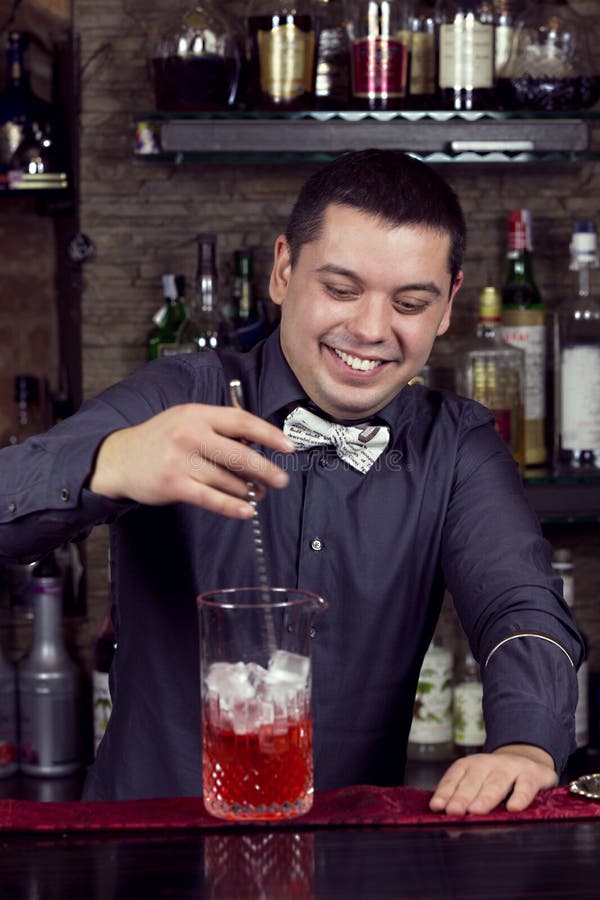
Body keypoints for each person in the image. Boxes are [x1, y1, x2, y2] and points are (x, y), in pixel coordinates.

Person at [0, 150, 583, 814]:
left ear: (448, 305)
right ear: (283, 271)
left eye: (410, 302)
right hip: (146, 851)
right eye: (340, 289)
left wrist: (526, 746)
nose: (369, 329)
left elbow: (521, 607)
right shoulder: (181, 394)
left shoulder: (457, 446)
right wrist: (109, 460)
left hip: (350, 860)